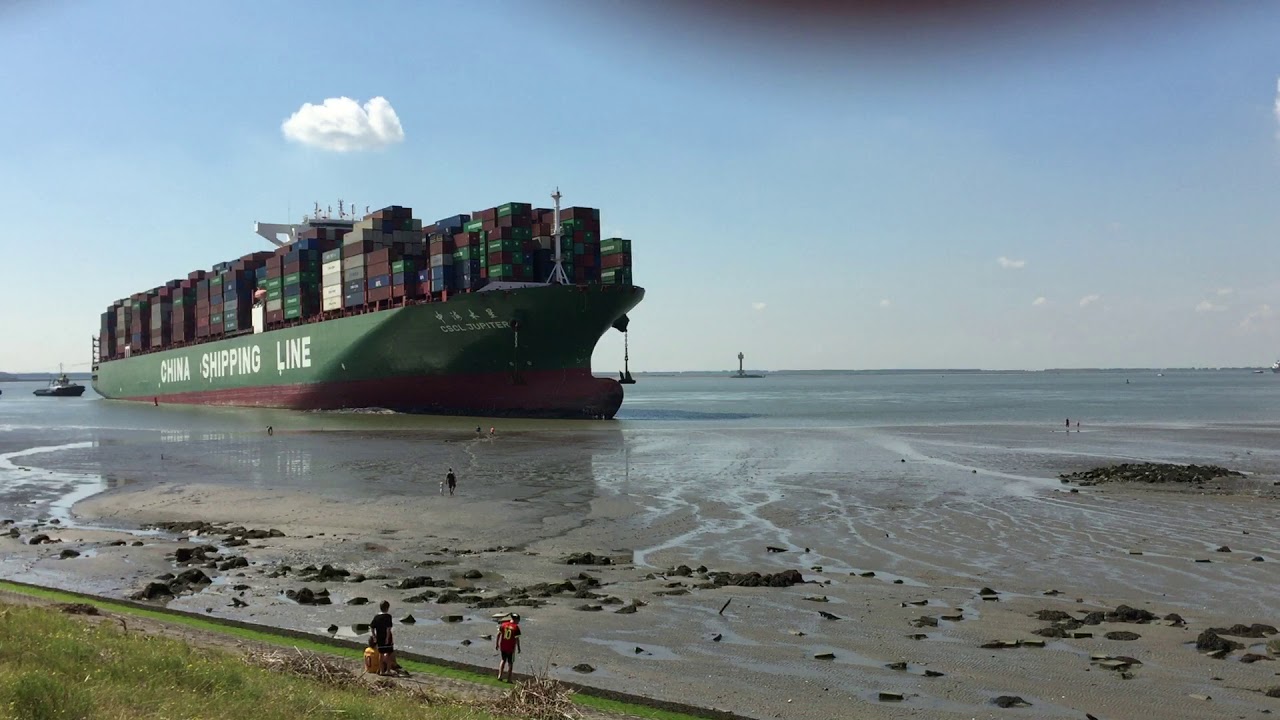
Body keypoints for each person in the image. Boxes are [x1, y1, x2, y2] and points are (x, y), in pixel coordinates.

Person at [370, 600, 407, 676]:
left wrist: (374, 636)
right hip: (386, 637)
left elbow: (372, 627)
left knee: (381, 653)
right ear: (387, 608)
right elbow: (388, 629)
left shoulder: (376, 617)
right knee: (389, 654)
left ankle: (381, 670)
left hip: (379, 636)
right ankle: (388, 670)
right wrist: (387, 638)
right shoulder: (388, 617)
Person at [496, 613, 522, 682]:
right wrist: (519, 647)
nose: (518, 622)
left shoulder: (504, 624)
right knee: (510, 663)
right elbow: (517, 639)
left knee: (503, 660)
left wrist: (497, 644)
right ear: (516, 619)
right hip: (511, 648)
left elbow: (498, 634)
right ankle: (509, 679)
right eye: (518, 620)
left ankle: (500, 676)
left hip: (503, 646)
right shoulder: (516, 627)